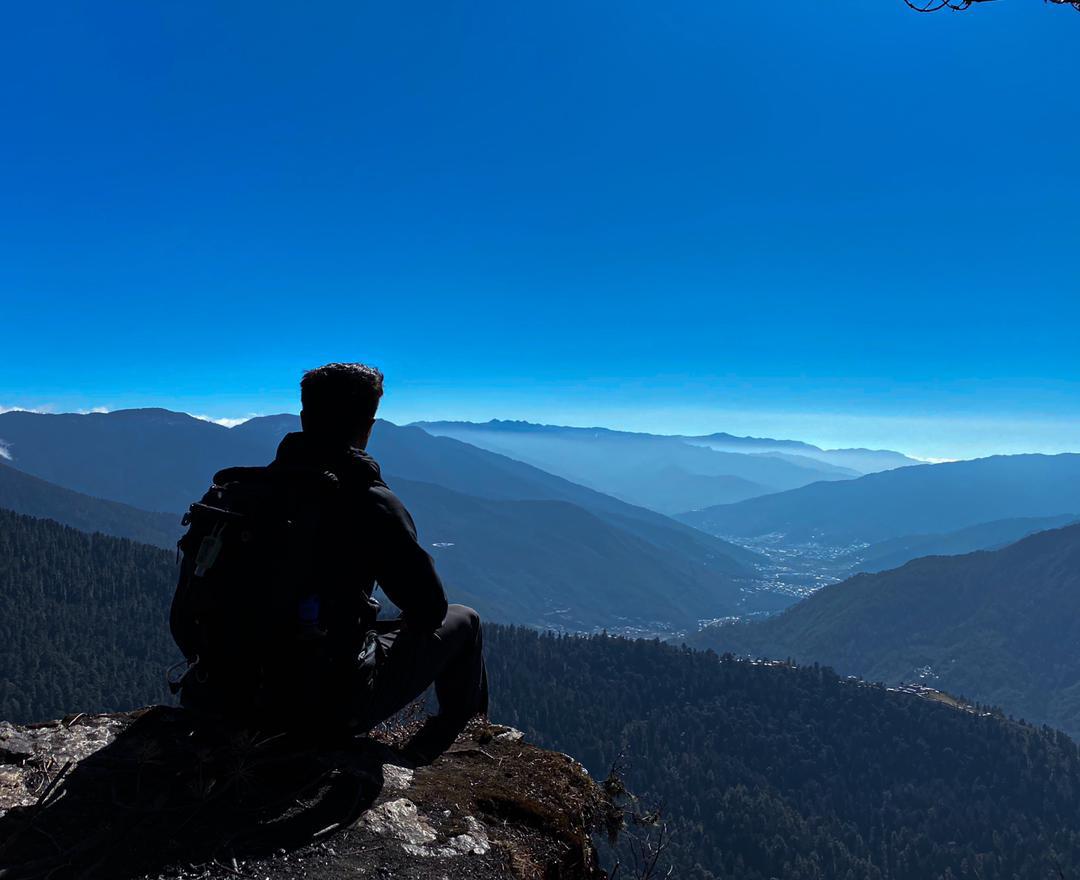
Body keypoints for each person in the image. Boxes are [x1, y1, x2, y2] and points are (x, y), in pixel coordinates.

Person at [176, 362, 488, 762]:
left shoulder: (234, 495)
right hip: (323, 711)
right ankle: (459, 751)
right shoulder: (369, 501)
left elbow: (185, 618)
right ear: (369, 425)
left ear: (304, 417)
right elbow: (429, 612)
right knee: (466, 620)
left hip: (215, 695)